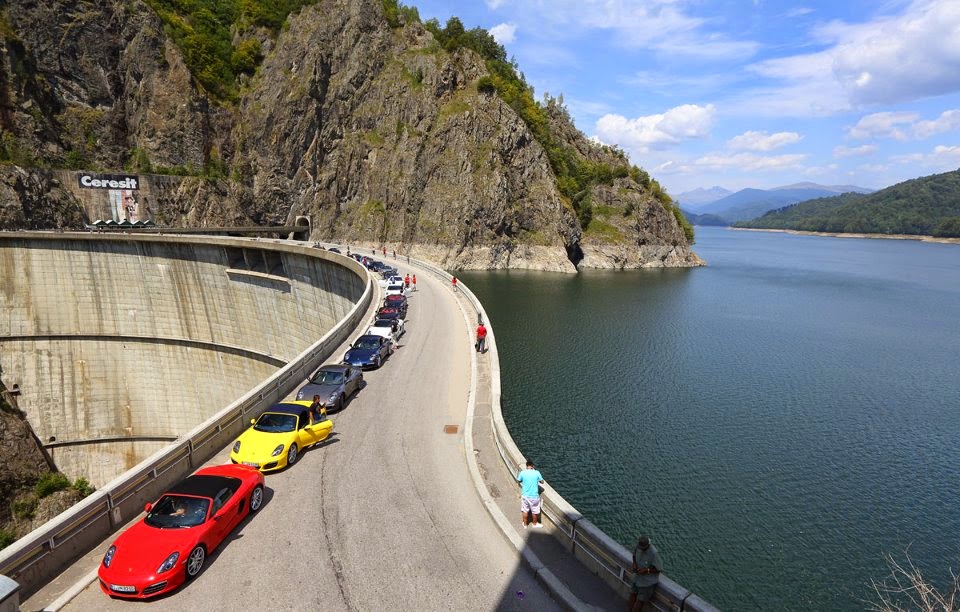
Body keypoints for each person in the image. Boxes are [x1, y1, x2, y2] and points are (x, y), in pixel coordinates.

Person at [628, 535, 662, 611]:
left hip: (646, 582)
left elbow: (659, 569)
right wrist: (634, 564)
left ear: (648, 545)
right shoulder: (639, 546)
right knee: (632, 594)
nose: (641, 549)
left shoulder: (654, 553)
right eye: (640, 548)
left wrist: (647, 570)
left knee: (640, 600)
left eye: (643, 548)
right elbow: (634, 555)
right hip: (637, 578)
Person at [516, 460, 544, 529]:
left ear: (526, 466)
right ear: (533, 466)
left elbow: (518, 481)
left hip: (525, 495)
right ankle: (534, 524)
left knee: (525, 510)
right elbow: (542, 482)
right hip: (534, 496)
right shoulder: (536, 472)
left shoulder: (522, 472)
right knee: (535, 511)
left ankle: (525, 524)